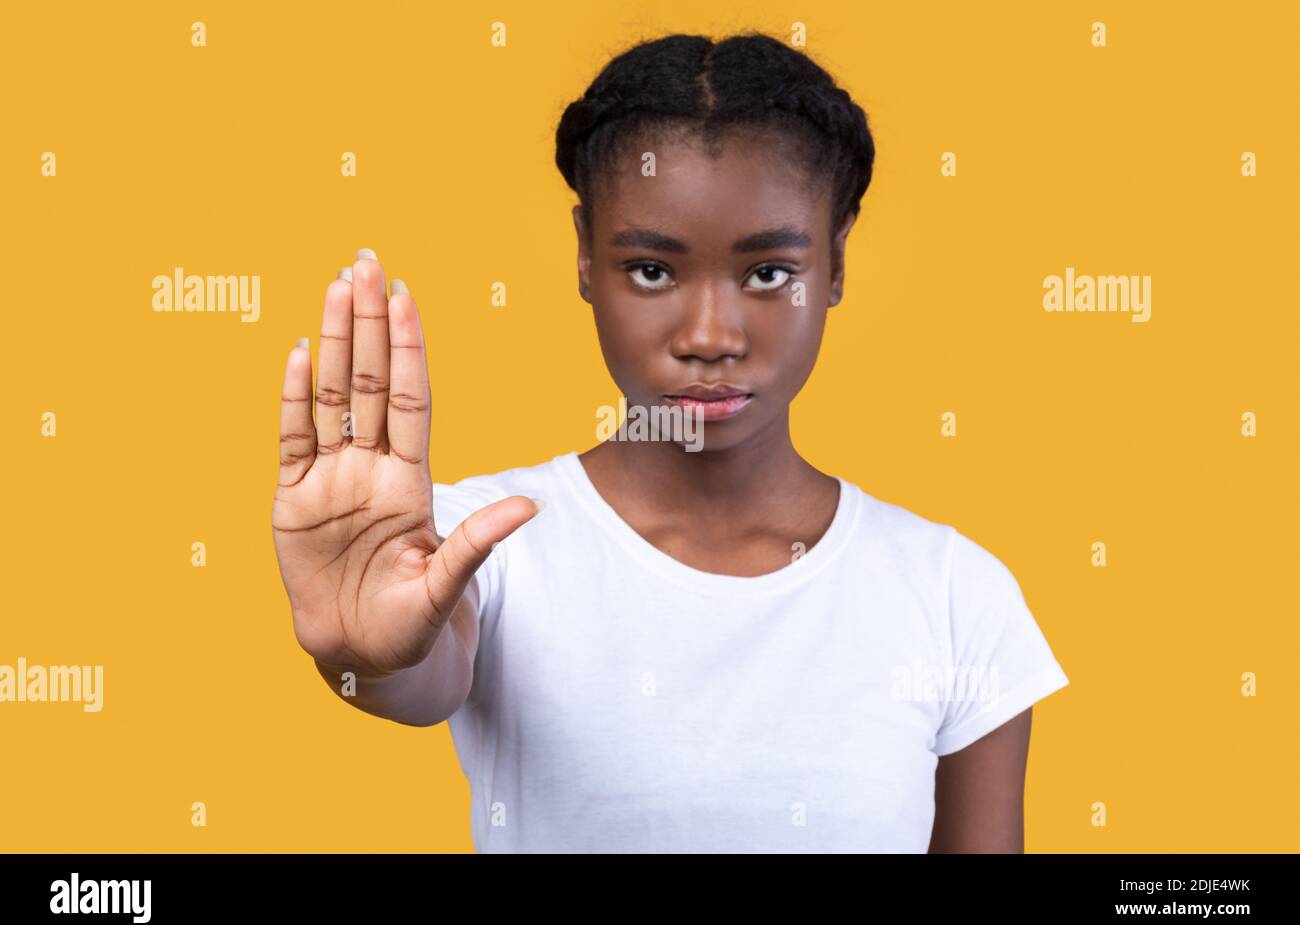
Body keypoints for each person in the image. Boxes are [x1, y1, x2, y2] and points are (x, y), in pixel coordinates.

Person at [271, 31, 1069, 853]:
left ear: (834, 262)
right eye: (653, 269)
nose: (710, 335)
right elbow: (419, 667)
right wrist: (362, 653)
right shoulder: (480, 541)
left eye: (768, 273)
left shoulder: (954, 595)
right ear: (585, 255)